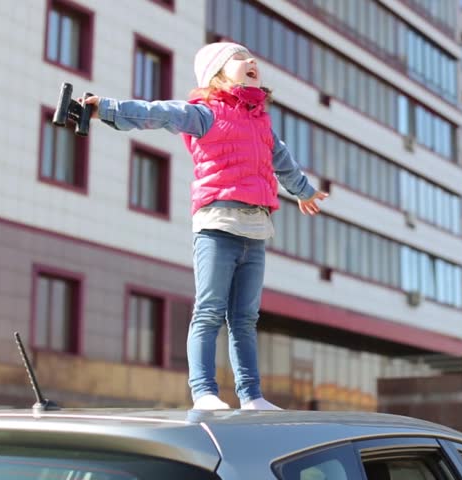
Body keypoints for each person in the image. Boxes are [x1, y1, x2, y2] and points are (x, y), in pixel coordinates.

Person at [80, 42, 328, 410]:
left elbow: (283, 160)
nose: (251, 61)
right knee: (209, 310)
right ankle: (204, 392)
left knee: (245, 318)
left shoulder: (261, 121)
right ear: (216, 74)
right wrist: (106, 109)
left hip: (256, 230)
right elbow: (158, 113)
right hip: (217, 226)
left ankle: (252, 396)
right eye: (239, 58)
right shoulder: (205, 113)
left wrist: (303, 191)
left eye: (251, 57)